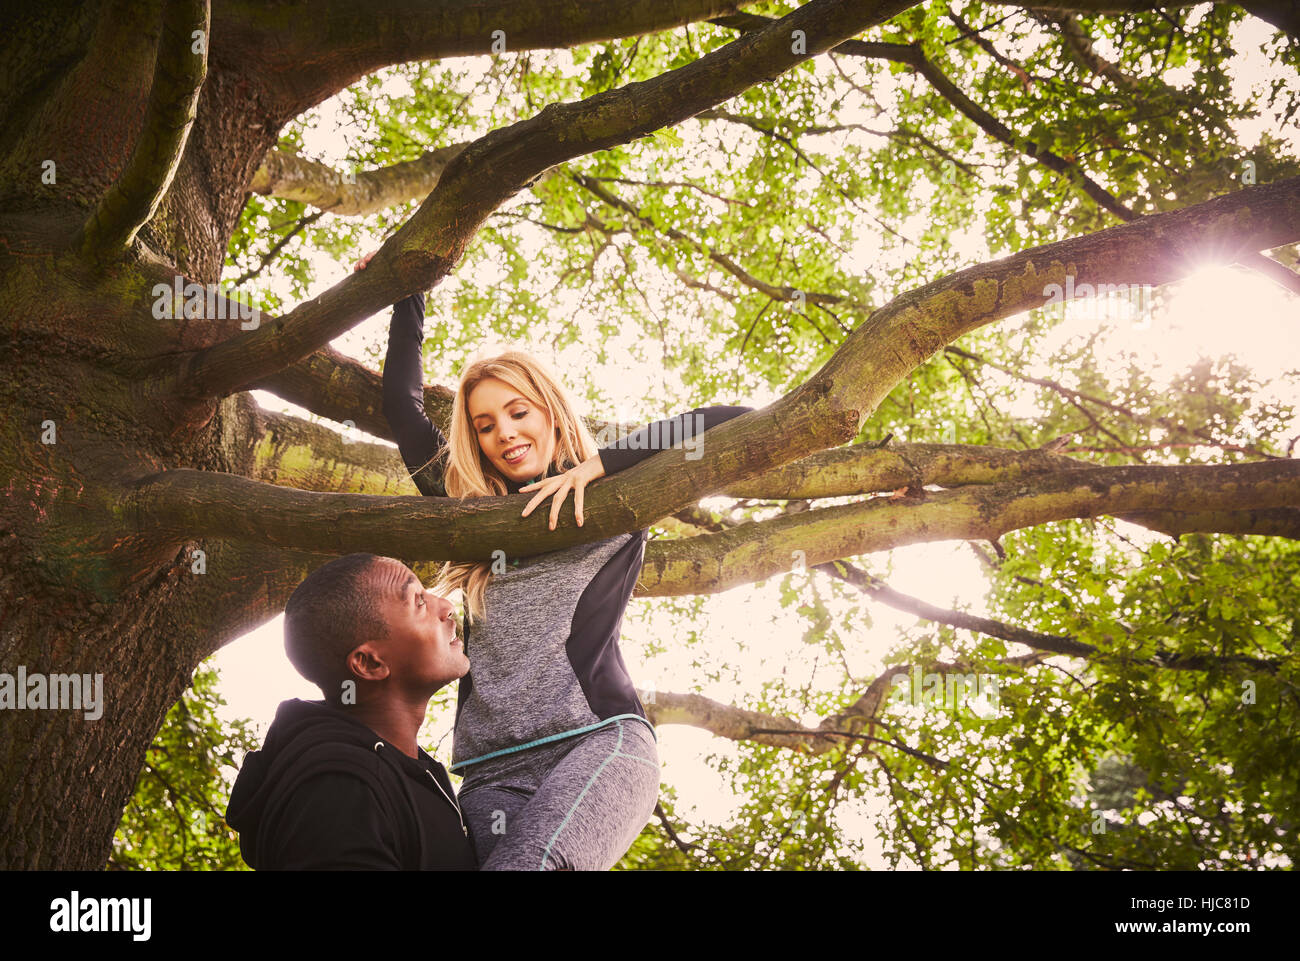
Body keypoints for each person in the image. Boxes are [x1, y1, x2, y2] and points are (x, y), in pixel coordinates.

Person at [364, 250, 753, 870]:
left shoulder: (618, 497)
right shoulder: (468, 515)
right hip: (490, 774)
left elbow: (736, 422)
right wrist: (408, 289)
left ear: (549, 410)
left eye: (518, 412)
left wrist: (601, 466)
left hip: (598, 742)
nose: (505, 434)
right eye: (486, 425)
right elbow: (401, 409)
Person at [225, 552, 477, 870]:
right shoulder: (338, 792)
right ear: (369, 663)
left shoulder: (408, 770)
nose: (446, 607)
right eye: (419, 603)